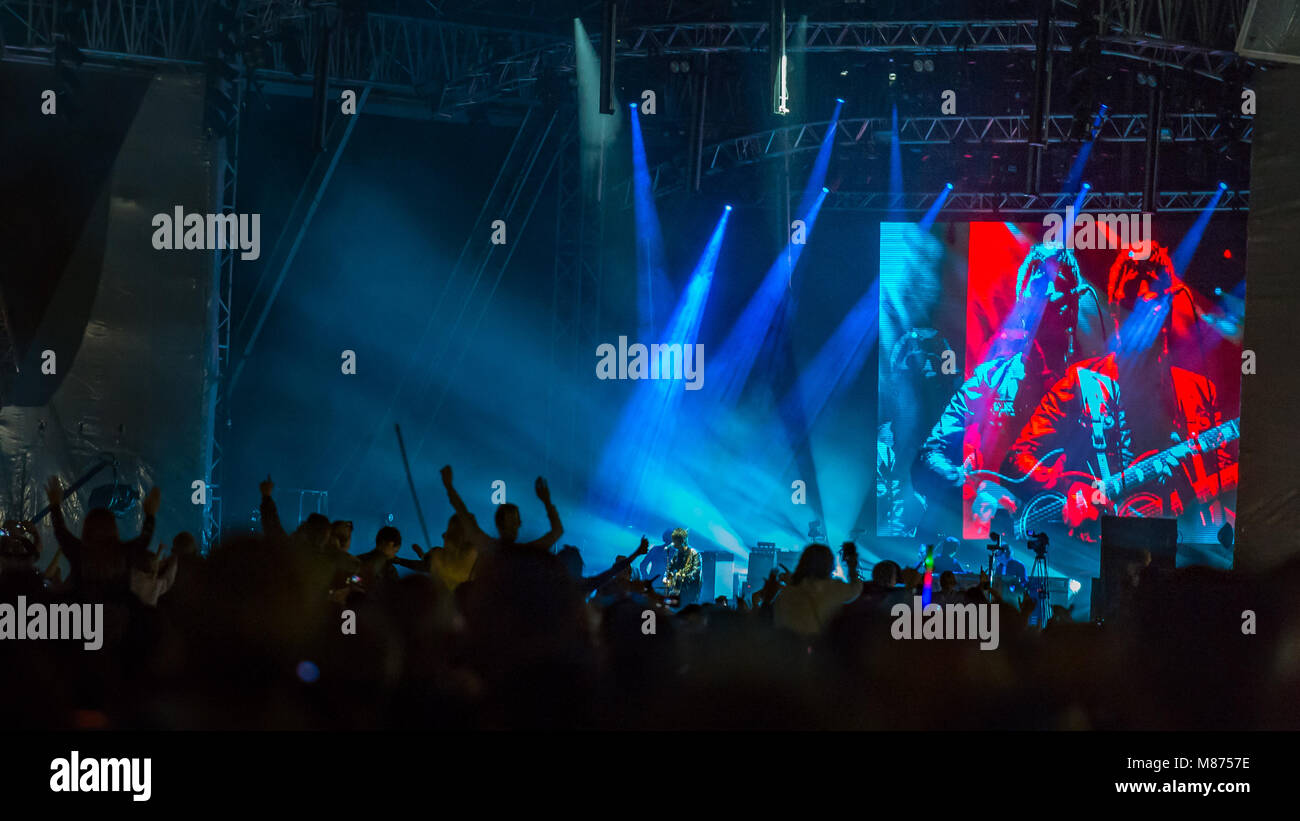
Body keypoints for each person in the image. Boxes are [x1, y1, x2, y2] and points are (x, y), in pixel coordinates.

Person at [1009, 243, 1233, 536]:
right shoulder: (1082, 382)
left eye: (1152, 291)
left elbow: (1227, 470)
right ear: (1114, 306)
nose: (1142, 302)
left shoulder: (1200, 391)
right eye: (1131, 296)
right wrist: (1070, 488)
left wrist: (1195, 491)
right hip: (1104, 539)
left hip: (1182, 542)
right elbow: (1021, 456)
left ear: (1168, 305)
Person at [918, 244, 1091, 538]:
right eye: (1038, 287)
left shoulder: (1094, 390)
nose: (1047, 296)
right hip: (991, 539)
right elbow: (928, 456)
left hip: (1065, 545)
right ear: (1021, 305)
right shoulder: (990, 378)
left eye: (1057, 286)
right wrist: (969, 487)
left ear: (1072, 307)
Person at [772, 542, 863, 636]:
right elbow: (855, 589)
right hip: (817, 645)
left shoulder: (787, 592)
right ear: (830, 565)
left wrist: (792, 581)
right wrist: (852, 566)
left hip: (788, 647)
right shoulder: (833, 588)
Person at [356, 526, 403, 593]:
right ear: (389, 544)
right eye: (395, 551)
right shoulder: (390, 569)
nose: (394, 555)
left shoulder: (358, 560)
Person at [661, 528, 701, 606]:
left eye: (674, 540)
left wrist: (683, 577)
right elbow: (670, 567)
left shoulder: (694, 554)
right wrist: (666, 576)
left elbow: (696, 573)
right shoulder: (677, 553)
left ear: (682, 541)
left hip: (690, 591)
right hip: (677, 591)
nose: (672, 543)